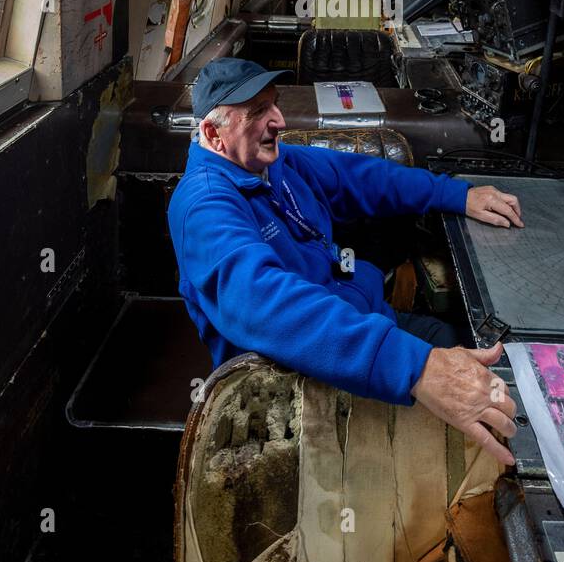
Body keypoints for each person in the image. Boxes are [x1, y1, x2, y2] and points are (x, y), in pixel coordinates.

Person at [168, 58, 523, 461]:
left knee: (478, 348)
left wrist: (456, 194)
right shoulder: (205, 205)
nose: (279, 120)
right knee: (481, 397)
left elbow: (363, 176)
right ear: (214, 134)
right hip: (298, 377)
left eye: (275, 104)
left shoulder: (275, 164)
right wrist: (417, 368)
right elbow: (263, 304)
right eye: (258, 112)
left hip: (361, 324)